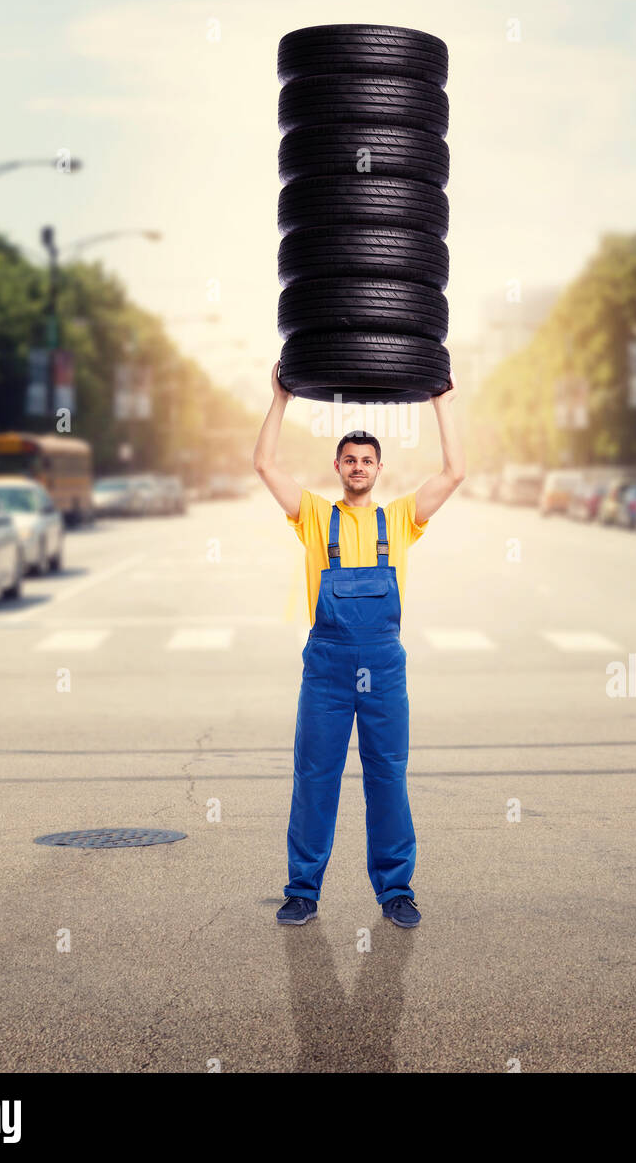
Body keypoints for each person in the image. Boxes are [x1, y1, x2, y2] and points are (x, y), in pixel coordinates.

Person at [253, 361, 465, 928]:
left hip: (383, 666)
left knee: (387, 776)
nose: (357, 467)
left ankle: (396, 890)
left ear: (377, 468)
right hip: (326, 665)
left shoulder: (401, 519)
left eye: (367, 460)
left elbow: (455, 472)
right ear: (338, 466)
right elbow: (264, 465)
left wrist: (441, 401)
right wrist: (280, 398)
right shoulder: (313, 517)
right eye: (349, 459)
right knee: (315, 775)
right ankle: (303, 890)